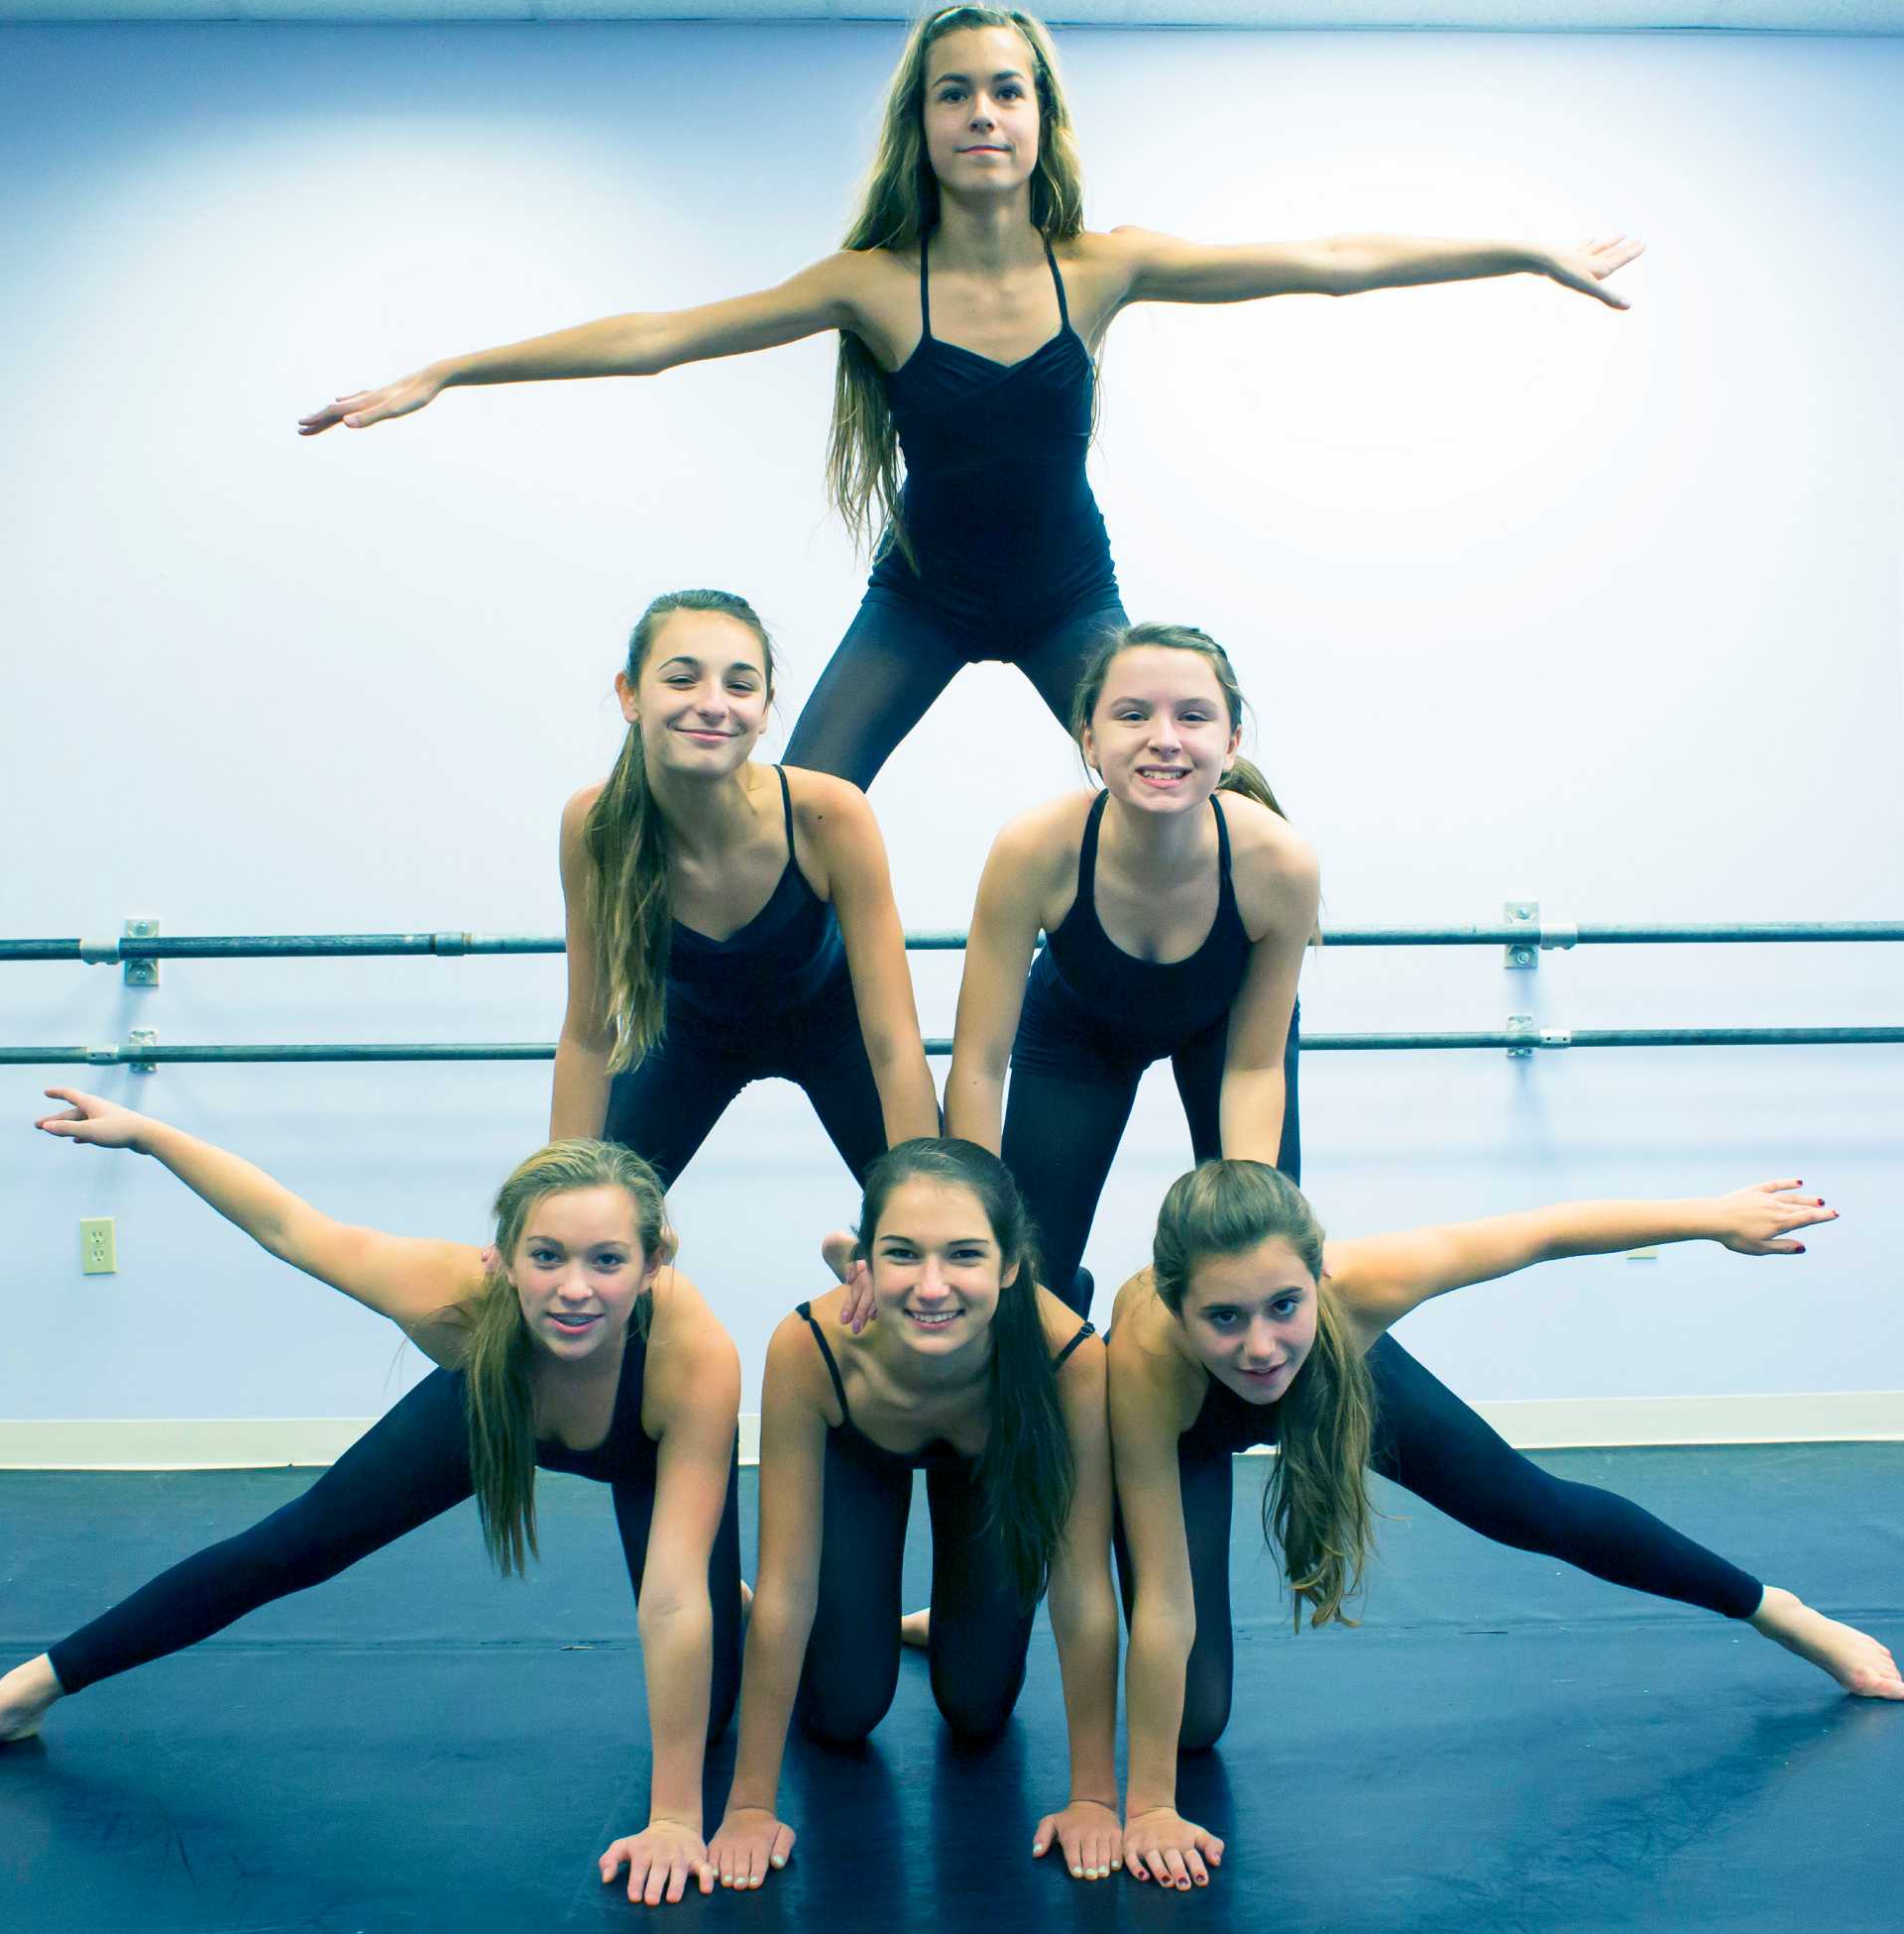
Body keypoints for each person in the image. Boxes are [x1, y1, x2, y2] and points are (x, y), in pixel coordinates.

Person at [297, 5, 1641, 790]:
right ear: (923, 124)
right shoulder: (876, 284)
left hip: (1068, 596)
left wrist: (1521, 248)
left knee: (1224, 801)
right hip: (923, 598)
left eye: (1007, 90)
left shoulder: (1105, 267)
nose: (983, 113)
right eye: (956, 94)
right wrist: (448, 371)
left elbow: (1334, 266)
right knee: (795, 811)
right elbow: (660, 337)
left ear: (1041, 115)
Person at [0, 1094, 746, 1909]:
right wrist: (151, 1133)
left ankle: (736, 1603)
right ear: (502, 1257)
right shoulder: (449, 1293)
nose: (574, 1288)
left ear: (653, 1262)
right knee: (288, 1544)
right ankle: (26, 1688)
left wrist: (674, 1816)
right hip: (490, 1401)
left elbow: (668, 1601)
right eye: (547, 1256)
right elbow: (290, 1227)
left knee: (705, 1657)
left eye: (607, 1260)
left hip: (651, 1452)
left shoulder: (691, 1357)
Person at [1107, 1160, 1903, 1892]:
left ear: (1319, 1276)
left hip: (1336, 1374)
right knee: (1196, 1725)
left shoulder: (1365, 1285)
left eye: (1285, 1305)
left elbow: (1544, 1231)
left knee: (1534, 1506)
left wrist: (1712, 1216)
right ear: (1179, 1306)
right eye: (1223, 1317)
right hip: (1188, 1440)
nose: (1259, 1345)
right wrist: (1148, 1807)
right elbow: (1165, 1602)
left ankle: (1779, 1611)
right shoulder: (1145, 1360)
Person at [706, 1139, 1123, 1892]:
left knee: (978, 1707)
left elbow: (1083, 1585)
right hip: (859, 1449)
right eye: (902, 1254)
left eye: (964, 1254)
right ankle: (843, 1622)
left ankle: (932, 1623)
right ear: (866, 1263)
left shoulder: (1073, 1358)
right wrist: (748, 1805)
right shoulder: (810, 1345)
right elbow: (790, 1584)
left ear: (1010, 1264)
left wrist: (1094, 1794)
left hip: (995, 1445)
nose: (932, 1285)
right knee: (842, 1711)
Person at [947, 622, 1316, 1311]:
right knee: (1020, 1285)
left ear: (1231, 744)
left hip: (1229, 1040)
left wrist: (1252, 1222)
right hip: (1076, 1033)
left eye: (1194, 716)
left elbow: (1255, 1067)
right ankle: (1062, 1302)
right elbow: (977, 1063)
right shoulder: (1034, 848)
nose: (1164, 737)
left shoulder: (1279, 863)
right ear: (1089, 738)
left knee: (1255, 1262)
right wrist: (970, 1227)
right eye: (1133, 714)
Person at [553, 588, 937, 1206]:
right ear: (629, 694)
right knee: (581, 1223)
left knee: (945, 1227)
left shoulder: (828, 813)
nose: (711, 706)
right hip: (685, 1039)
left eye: (739, 686)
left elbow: (893, 1042)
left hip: (837, 1033)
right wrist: (549, 1203)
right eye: (682, 680)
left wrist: (928, 1217)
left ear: (764, 710)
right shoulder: (595, 823)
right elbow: (589, 1036)